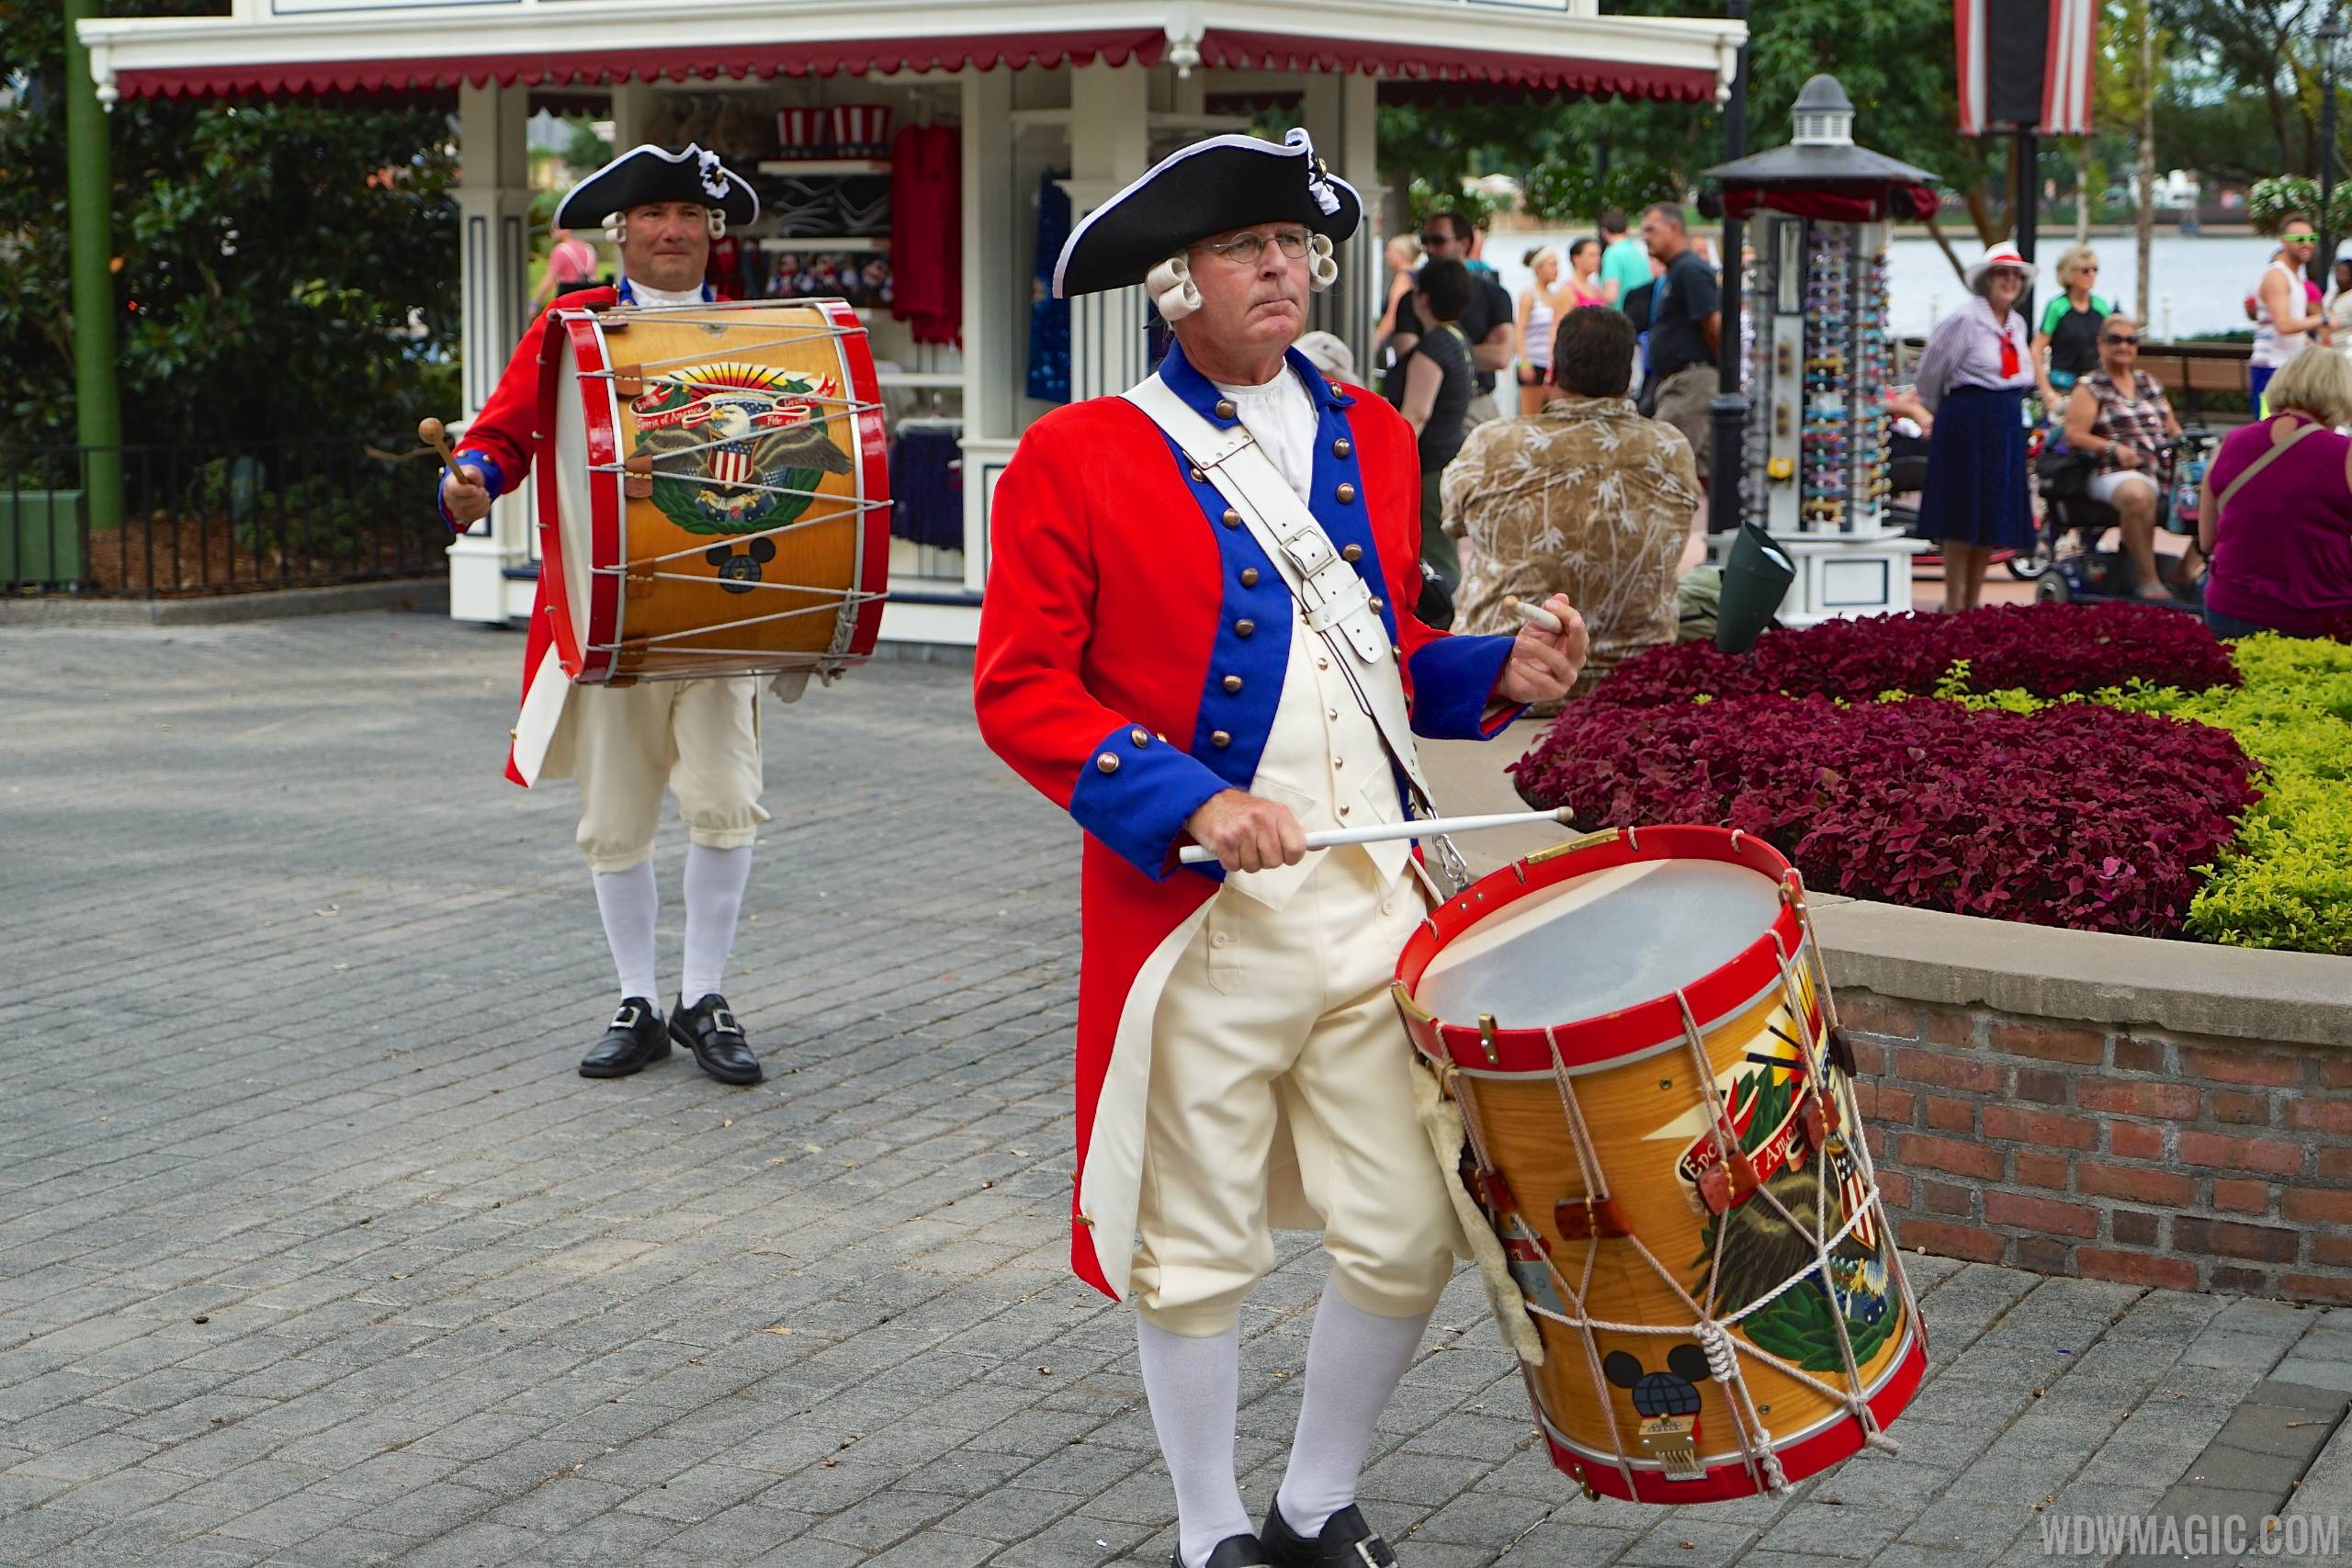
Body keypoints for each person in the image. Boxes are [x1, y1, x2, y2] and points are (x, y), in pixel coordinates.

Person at [976, 128, 1587, 1568]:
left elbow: (1380, 650)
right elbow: (1018, 687)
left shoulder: (1371, 430)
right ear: (1173, 285)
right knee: (1188, 1243)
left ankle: (1317, 1499)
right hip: (1200, 921)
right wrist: (1187, 798)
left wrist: (1504, 668)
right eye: (1245, 248)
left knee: (1407, 1221)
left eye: (1293, 248)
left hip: (1374, 899)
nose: (1280, 269)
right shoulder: (1080, 455)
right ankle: (1210, 1530)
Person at [436, 144, 775, 1086]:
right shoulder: (570, 327)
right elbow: (502, 436)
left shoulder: (760, 333)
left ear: (712, 230)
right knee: (614, 817)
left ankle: (702, 995)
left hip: (722, 609)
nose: (671, 232)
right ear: (620, 231)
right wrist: (469, 485)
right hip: (608, 611)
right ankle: (637, 1000)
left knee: (723, 805)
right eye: (651, 216)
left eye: (688, 216)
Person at [1445, 306, 1699, 702]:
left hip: (1507, 681)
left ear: (1552, 373)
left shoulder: (1494, 442)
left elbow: (1453, 522)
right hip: (1632, 683)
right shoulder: (1671, 448)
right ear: (1628, 378)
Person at [1913, 242, 2038, 613]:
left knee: (1991, 513)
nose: (2009, 281)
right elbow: (1929, 374)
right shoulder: (1964, 319)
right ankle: (1953, 603)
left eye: (2015, 275)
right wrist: (1944, 412)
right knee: (1961, 511)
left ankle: (1973, 601)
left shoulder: (2017, 324)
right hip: (1966, 422)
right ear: (1987, 279)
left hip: (2005, 422)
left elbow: (2022, 375)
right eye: (2002, 274)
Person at [2198, 343, 2352, 639]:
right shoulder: (2344, 455)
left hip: (2229, 612)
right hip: (2319, 617)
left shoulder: (2230, 442)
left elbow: (2207, 540)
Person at [2063, 313, 2194, 601]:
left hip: (2162, 468)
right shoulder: (2091, 386)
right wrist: (2114, 448)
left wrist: (2190, 455)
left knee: (2222, 492)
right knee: (2138, 494)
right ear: (2101, 345)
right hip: (2111, 470)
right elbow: (2074, 434)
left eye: (2131, 340)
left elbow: (2173, 429)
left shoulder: (2149, 383)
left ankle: (2184, 573)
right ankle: (2148, 580)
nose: (2124, 346)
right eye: (2116, 339)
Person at [1385, 210, 1517, 430]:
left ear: (1463, 243)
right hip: (1425, 406)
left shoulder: (1494, 294)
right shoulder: (1412, 299)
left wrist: (1434, 353)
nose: (1429, 248)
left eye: (1438, 240)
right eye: (1425, 241)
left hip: (1477, 404)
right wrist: (1471, 352)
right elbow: (1408, 358)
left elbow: (1502, 357)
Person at [1401, 258, 1478, 607]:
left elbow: (1416, 414)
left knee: (1437, 556)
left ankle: (1444, 626)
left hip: (1429, 463)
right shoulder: (1458, 339)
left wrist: (1391, 463)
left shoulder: (1432, 348)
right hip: (1451, 456)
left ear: (1423, 298)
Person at [1635, 202, 1722, 480]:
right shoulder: (1676, 271)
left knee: (1660, 464)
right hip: (1680, 380)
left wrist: (1722, 373)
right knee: (1705, 471)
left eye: (1651, 229)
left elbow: (1713, 325)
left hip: (1690, 382)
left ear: (1674, 229)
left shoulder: (1691, 270)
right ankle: (1723, 524)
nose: (1645, 237)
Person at [2250, 216, 2326, 408]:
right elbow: (2283, 325)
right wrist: (2322, 318)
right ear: (2284, 241)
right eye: (2300, 239)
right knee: (2269, 431)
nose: (2307, 244)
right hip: (2271, 368)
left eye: (2312, 238)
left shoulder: (2295, 278)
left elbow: (2294, 329)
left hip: (2289, 367)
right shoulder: (2277, 275)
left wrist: (2316, 349)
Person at [2031, 245, 2111, 414]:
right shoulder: (2057, 307)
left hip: (2095, 386)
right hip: (2063, 388)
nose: (2091, 275)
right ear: (2070, 274)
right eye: (2085, 270)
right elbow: (2036, 350)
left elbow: (2109, 347)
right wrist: (2047, 392)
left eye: (2094, 270)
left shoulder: (2101, 306)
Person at [1513, 246, 1576, 416]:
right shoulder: (1529, 295)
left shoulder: (1556, 295)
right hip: (1534, 361)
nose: (1556, 270)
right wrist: (1524, 362)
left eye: (1557, 265)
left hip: (1551, 362)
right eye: (1552, 265)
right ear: (1538, 268)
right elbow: (1519, 330)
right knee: (1531, 416)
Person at [529, 223, 601, 307]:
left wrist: (534, 303)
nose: (552, 231)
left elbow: (549, 280)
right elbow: (595, 277)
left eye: (555, 228)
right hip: (588, 302)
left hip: (567, 301)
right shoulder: (589, 249)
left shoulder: (559, 251)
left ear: (566, 229)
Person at [1373, 233, 1419, 361]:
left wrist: (1376, 341)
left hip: (1400, 343)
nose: (1386, 255)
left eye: (1390, 251)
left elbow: (1393, 313)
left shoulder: (1403, 278)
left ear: (1401, 254)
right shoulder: (1417, 275)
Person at [1598, 207, 1648, 311]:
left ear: (1604, 232)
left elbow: (1611, 296)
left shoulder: (1612, 253)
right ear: (1627, 229)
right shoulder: (1637, 252)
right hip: (1641, 314)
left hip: (1621, 318)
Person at [1565, 236, 1609, 308]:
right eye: (1592, 255)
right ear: (1576, 258)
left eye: (1598, 255)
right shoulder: (1568, 291)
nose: (1597, 259)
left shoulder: (1595, 289)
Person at [2328, 257, 2352, 339]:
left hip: (2344, 348)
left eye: (2343, 273)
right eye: (2337, 272)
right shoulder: (2330, 294)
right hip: (2324, 345)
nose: (2338, 277)